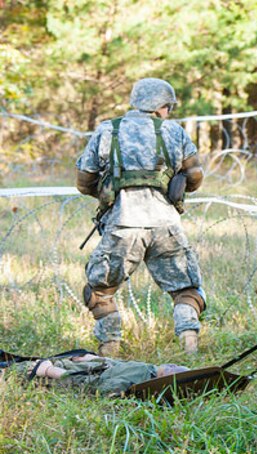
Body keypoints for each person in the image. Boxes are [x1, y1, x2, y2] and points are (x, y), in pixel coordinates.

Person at [75, 78, 206, 356]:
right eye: (169, 107)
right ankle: (190, 346)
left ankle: (109, 349)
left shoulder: (107, 130)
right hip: (166, 226)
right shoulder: (175, 131)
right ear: (160, 106)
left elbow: (84, 181)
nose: (169, 112)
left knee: (100, 292)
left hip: (123, 224)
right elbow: (195, 176)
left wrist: (110, 193)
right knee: (187, 290)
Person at [3, 352, 190, 396]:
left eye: (174, 369)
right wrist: (95, 358)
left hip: (56, 374)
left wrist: (49, 371)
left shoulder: (130, 383)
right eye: (176, 365)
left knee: (14, 372)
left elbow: (90, 386)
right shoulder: (149, 369)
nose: (173, 365)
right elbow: (119, 364)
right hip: (78, 365)